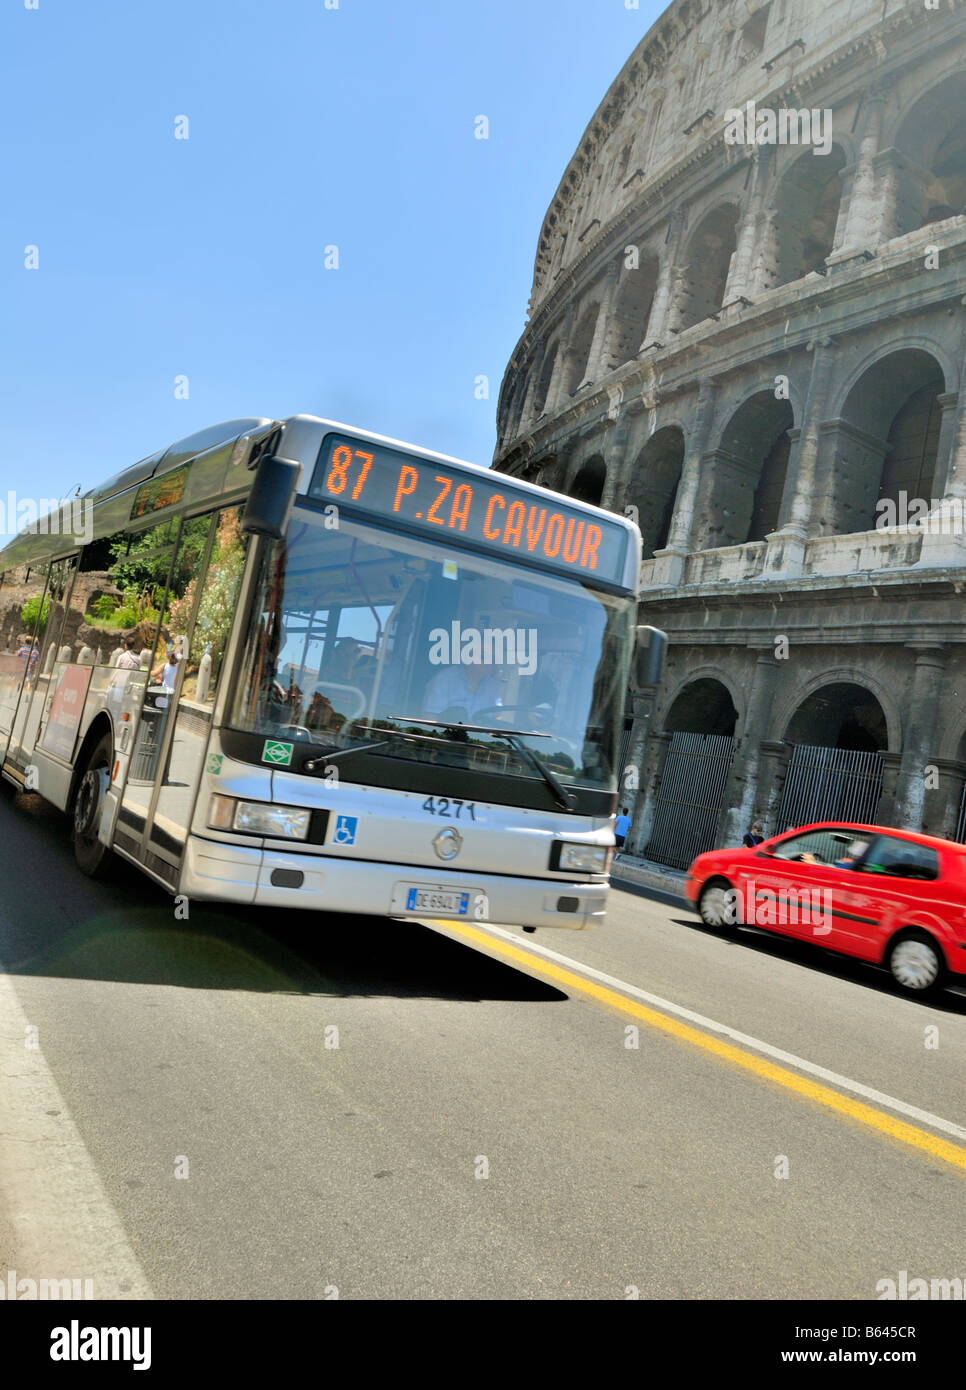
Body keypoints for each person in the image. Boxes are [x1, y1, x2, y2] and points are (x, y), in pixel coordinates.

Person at [424, 658, 503, 722]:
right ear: (468, 656)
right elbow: (430, 718)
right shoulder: (445, 678)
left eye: (493, 659)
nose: (488, 662)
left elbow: (497, 718)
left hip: (480, 741)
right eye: (483, 656)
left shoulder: (492, 686)